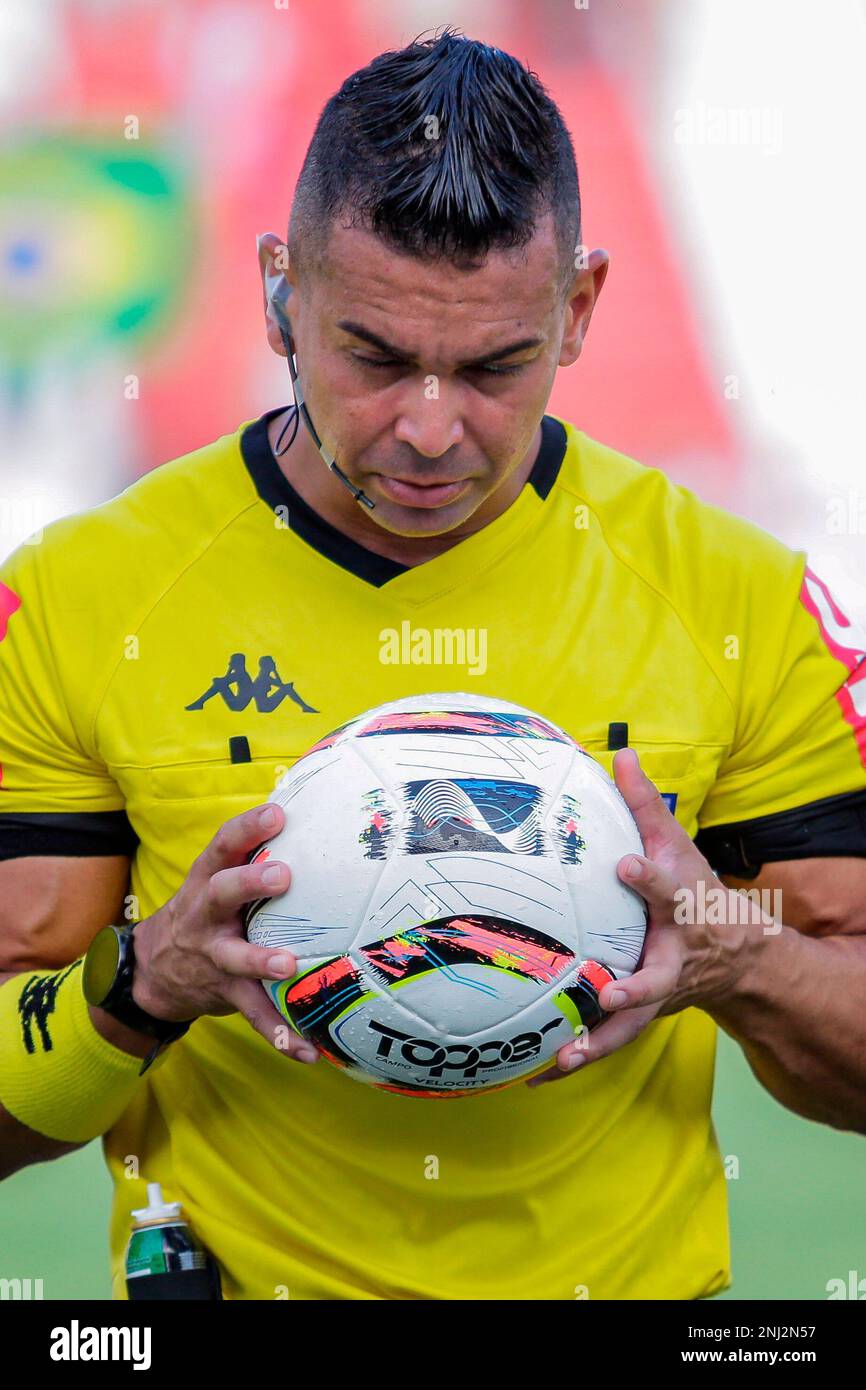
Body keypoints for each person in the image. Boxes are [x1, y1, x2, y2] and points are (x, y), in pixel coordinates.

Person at [1, 29, 865, 1302]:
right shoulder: (78, 602)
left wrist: (742, 951)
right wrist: (140, 987)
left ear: (576, 309)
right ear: (277, 291)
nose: (426, 426)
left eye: (491, 366)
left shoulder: (741, 600)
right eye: (372, 354)